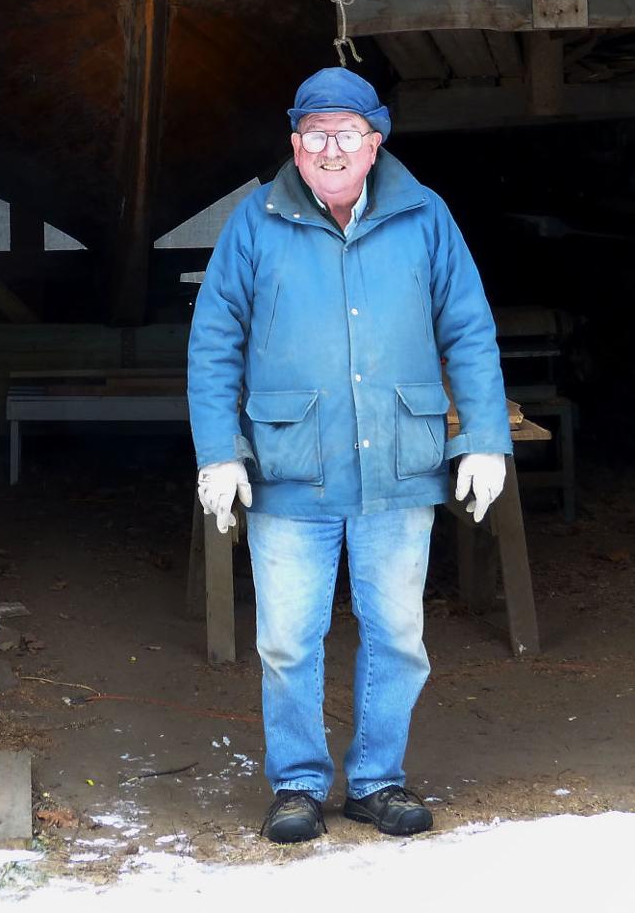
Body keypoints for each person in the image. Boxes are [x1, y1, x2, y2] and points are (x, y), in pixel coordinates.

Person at [187, 67, 510, 845]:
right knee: (288, 638)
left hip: (399, 467)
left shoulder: (424, 215)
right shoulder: (255, 221)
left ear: (376, 142)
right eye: (315, 135)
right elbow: (213, 343)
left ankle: (376, 780)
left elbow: (467, 328)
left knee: (398, 634)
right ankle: (297, 782)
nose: (331, 149)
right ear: (295, 145)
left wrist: (485, 437)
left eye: (347, 134)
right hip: (291, 469)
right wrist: (219, 451)